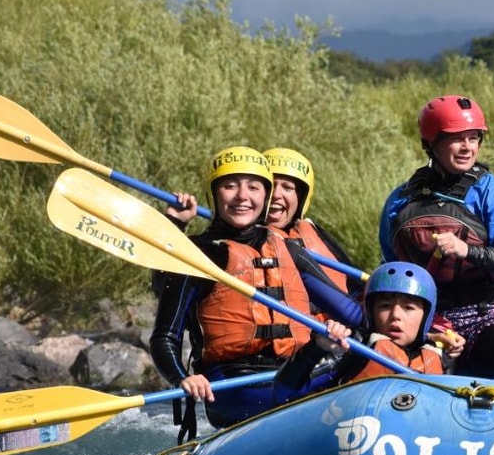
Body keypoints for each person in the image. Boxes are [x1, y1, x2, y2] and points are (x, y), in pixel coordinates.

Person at [149, 146, 358, 432]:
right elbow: (164, 336)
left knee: (368, 347)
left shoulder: (287, 249)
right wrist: (182, 378)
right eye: (230, 186)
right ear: (214, 194)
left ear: (265, 195)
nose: (242, 196)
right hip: (236, 391)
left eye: (254, 187)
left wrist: (405, 326)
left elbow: (351, 312)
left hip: (292, 373)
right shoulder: (197, 255)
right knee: (309, 377)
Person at [378, 94, 494, 380]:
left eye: (474, 138)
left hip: (486, 314)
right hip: (426, 320)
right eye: (457, 139)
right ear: (431, 144)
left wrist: (466, 250)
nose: (467, 147)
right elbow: (392, 266)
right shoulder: (400, 201)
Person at [273, 262, 456, 404]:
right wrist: (316, 348)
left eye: (408, 308)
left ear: (426, 317)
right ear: (370, 311)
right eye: (385, 306)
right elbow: (285, 392)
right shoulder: (352, 346)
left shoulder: (440, 357)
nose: (395, 316)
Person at [261, 147, 364, 297]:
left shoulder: (316, 235)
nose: (276, 194)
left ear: (301, 199)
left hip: (325, 319)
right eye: (269, 186)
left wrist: (339, 321)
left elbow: (357, 293)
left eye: (287, 188)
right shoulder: (235, 239)